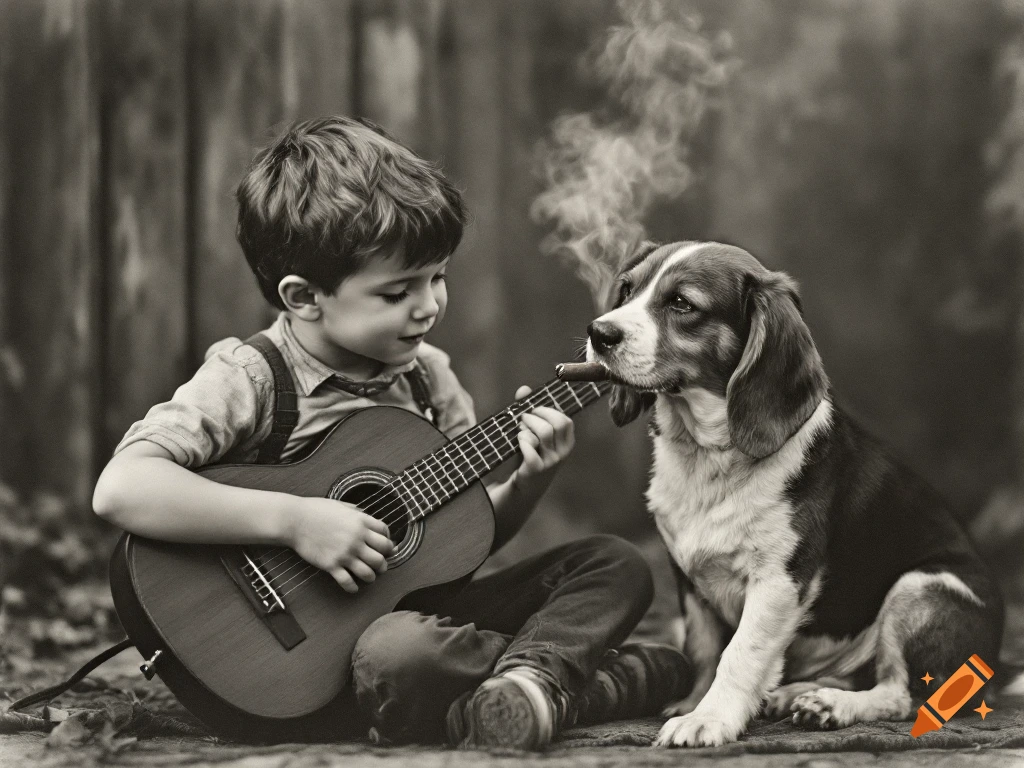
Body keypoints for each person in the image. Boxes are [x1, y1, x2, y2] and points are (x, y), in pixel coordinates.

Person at [92, 116, 692, 749]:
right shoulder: (252, 379)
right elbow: (123, 488)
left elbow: (459, 537)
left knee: (612, 563)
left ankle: (530, 685)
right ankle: (587, 680)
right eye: (398, 291)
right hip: (325, 660)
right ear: (304, 297)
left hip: (412, 616)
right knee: (402, 656)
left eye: (437, 277)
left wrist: (530, 481)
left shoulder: (429, 379)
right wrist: (297, 521)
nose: (429, 305)